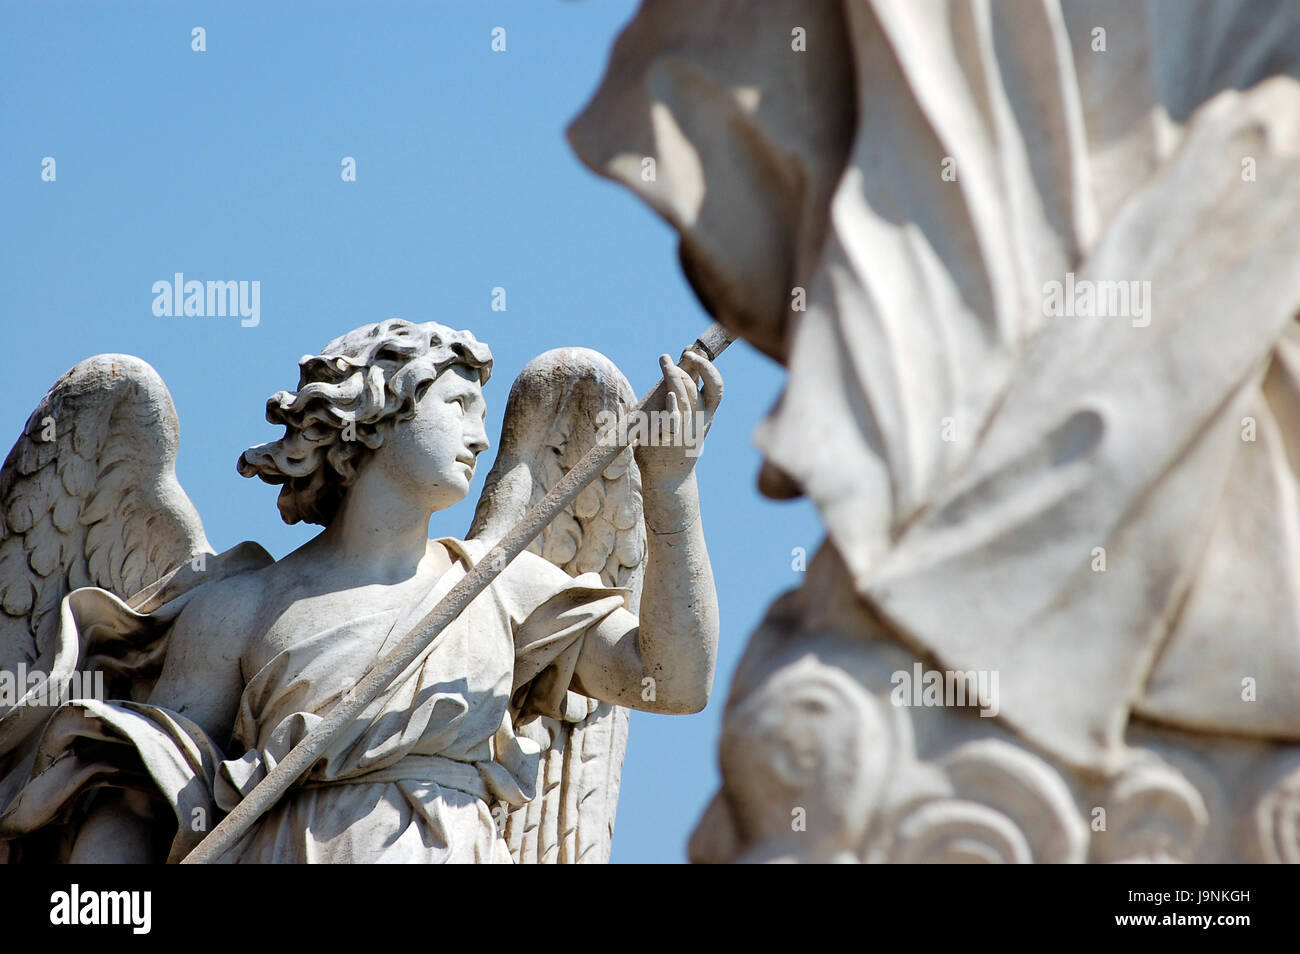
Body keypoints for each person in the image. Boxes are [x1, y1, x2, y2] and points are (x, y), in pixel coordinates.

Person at [3, 319, 722, 863]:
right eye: (459, 405)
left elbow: (673, 680)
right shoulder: (243, 606)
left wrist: (671, 487)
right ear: (376, 413)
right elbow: (146, 787)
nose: (479, 435)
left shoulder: (498, 586)